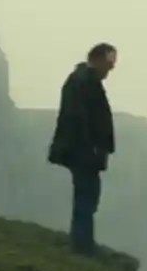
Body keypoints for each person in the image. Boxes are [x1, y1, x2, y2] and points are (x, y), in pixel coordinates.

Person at [47, 42, 117, 254]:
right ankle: (82, 244)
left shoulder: (86, 81)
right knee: (86, 195)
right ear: (97, 59)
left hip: (84, 151)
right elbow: (76, 118)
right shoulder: (82, 82)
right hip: (82, 152)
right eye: (109, 62)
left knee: (88, 196)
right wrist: (92, 148)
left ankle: (83, 241)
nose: (111, 68)